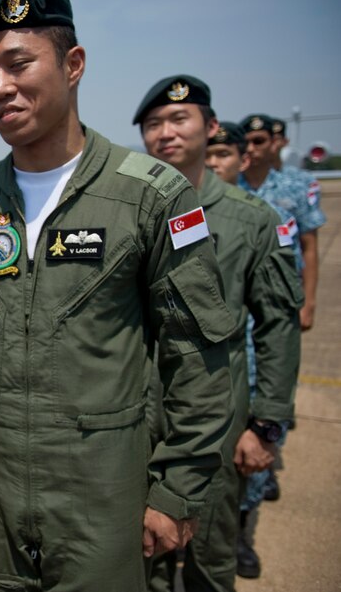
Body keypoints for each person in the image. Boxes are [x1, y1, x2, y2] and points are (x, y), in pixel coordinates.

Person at [0, 0, 236, 591]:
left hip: (103, 498)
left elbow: (202, 355)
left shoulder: (150, 196)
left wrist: (178, 487)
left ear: (73, 65)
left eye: (19, 63)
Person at [135, 77, 302, 592]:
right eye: (153, 124)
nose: (166, 133)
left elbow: (278, 326)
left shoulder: (253, 220)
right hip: (139, 413)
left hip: (215, 419)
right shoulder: (131, 214)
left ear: (209, 128)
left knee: (208, 555)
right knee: (140, 559)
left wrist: (266, 423)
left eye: (179, 120)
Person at [240, 114, 325, 331]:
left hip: (282, 292)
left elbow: (309, 247)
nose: (250, 148)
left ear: (273, 143)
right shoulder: (228, 186)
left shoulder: (296, 186)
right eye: (245, 142)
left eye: (258, 141)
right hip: (238, 294)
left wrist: (309, 302)